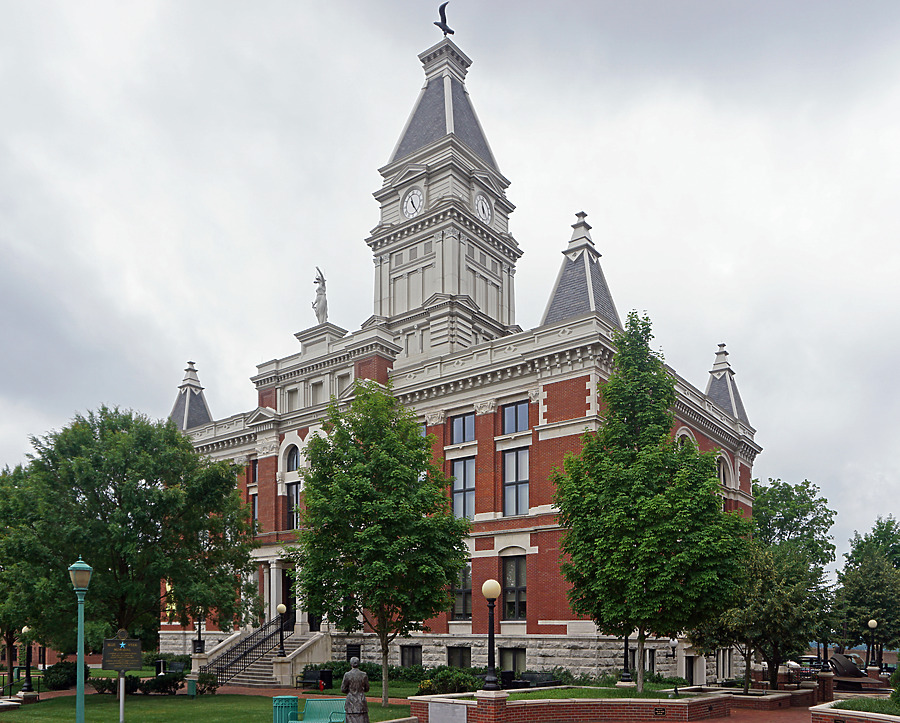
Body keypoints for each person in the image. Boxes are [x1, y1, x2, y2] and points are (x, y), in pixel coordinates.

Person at [340, 656, 370, 723]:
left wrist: (350, 691)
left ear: (351, 664)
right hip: (361, 701)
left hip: (351, 701)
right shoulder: (364, 675)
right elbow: (367, 688)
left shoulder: (347, 675)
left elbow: (343, 689)